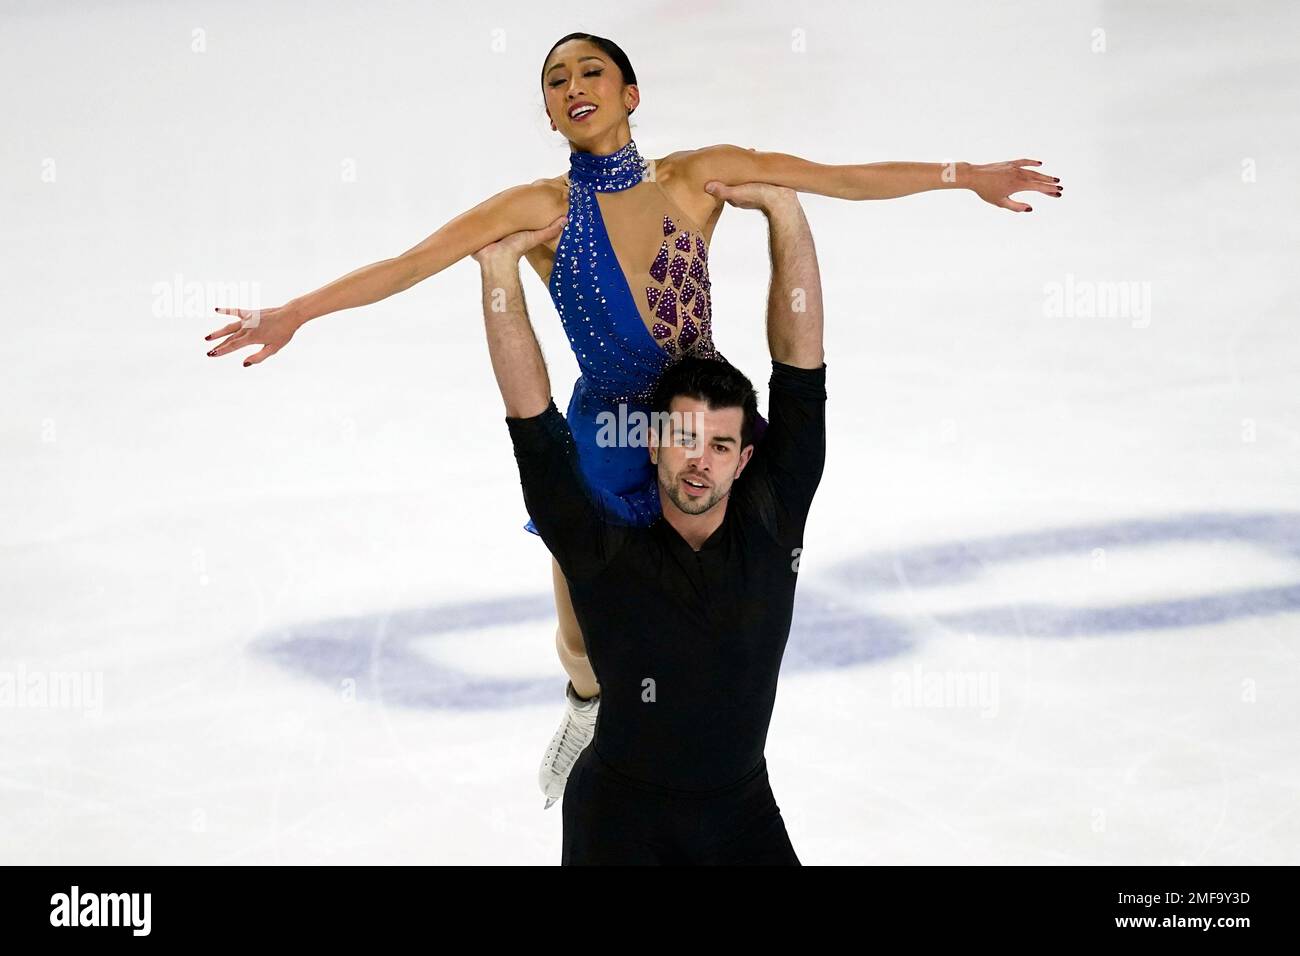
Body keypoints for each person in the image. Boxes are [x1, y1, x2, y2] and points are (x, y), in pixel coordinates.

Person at [203, 32, 1060, 802]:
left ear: (630, 93)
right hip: (607, 441)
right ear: (547, 112)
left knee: (715, 595)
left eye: (591, 71)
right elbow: (414, 261)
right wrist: (298, 312)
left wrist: (966, 177)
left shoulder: (696, 177)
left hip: (701, 422)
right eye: (554, 80)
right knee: (585, 642)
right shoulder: (538, 208)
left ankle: (705, 750)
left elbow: (835, 179)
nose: (572, 85)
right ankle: (584, 707)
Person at [473, 179, 824, 864]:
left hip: (741, 815)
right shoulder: (603, 550)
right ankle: (580, 705)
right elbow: (532, 420)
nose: (701, 461)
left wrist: (785, 211)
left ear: (745, 455)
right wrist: (497, 275)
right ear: (653, 443)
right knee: (576, 652)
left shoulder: (774, 520)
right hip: (617, 823)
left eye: (720, 445)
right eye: (686, 440)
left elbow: (800, 362)